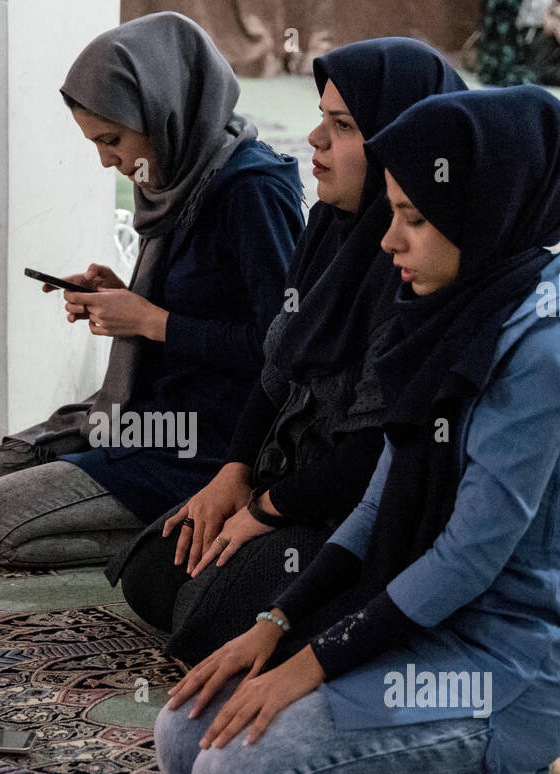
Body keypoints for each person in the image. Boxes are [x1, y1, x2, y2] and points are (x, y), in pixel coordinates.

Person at [153, 85, 560, 774]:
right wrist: (276, 624)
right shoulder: (440, 314)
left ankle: (514, 763)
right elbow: (375, 509)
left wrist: (311, 664)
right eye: (392, 213)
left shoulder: (547, 350)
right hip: (418, 623)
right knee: (182, 736)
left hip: (511, 663)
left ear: (483, 214)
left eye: (414, 219)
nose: (387, 242)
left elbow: (467, 557)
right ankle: (471, 757)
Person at [106, 39, 466, 665]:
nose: (315, 139)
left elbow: (372, 453)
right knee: (152, 577)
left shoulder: (417, 263)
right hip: (289, 473)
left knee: (205, 616)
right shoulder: (328, 226)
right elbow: (276, 370)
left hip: (354, 510)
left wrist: (266, 510)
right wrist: (234, 472)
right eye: (322, 118)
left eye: (343, 126)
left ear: (401, 141)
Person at [0, 12, 304, 569]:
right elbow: (201, 296)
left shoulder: (250, 190)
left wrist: (152, 323)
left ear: (162, 112)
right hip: (149, 410)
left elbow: (285, 350)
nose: (106, 160)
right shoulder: (176, 173)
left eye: (111, 140)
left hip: (208, 440)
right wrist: (123, 296)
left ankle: (204, 527)